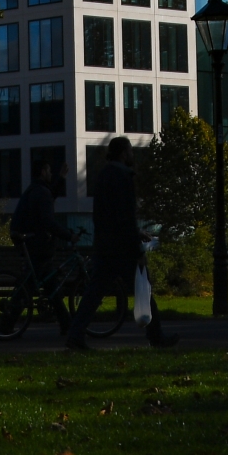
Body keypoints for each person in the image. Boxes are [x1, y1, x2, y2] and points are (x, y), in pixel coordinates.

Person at [70, 137, 178, 350]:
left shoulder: (102, 176)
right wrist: (137, 248)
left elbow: (107, 215)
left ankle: (75, 335)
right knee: (143, 289)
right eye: (130, 151)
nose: (132, 155)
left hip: (104, 245)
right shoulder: (124, 176)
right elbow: (126, 216)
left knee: (93, 294)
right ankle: (156, 337)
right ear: (123, 153)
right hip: (122, 249)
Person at [2, 161, 62, 333]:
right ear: (43, 171)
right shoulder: (40, 192)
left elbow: (49, 198)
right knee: (31, 285)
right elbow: (49, 221)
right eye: (50, 170)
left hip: (31, 242)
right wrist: (67, 235)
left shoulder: (34, 190)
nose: (51, 174)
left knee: (50, 283)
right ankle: (7, 323)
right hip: (36, 244)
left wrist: (62, 179)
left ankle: (66, 323)